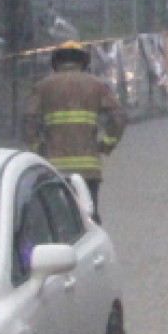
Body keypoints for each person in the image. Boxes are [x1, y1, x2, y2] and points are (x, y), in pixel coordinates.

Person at [23, 41, 127, 224]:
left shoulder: (43, 86)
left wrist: (37, 147)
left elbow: (29, 119)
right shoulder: (97, 85)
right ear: (84, 62)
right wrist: (106, 144)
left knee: (57, 220)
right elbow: (119, 117)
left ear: (56, 62)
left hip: (54, 166)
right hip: (88, 167)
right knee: (90, 217)